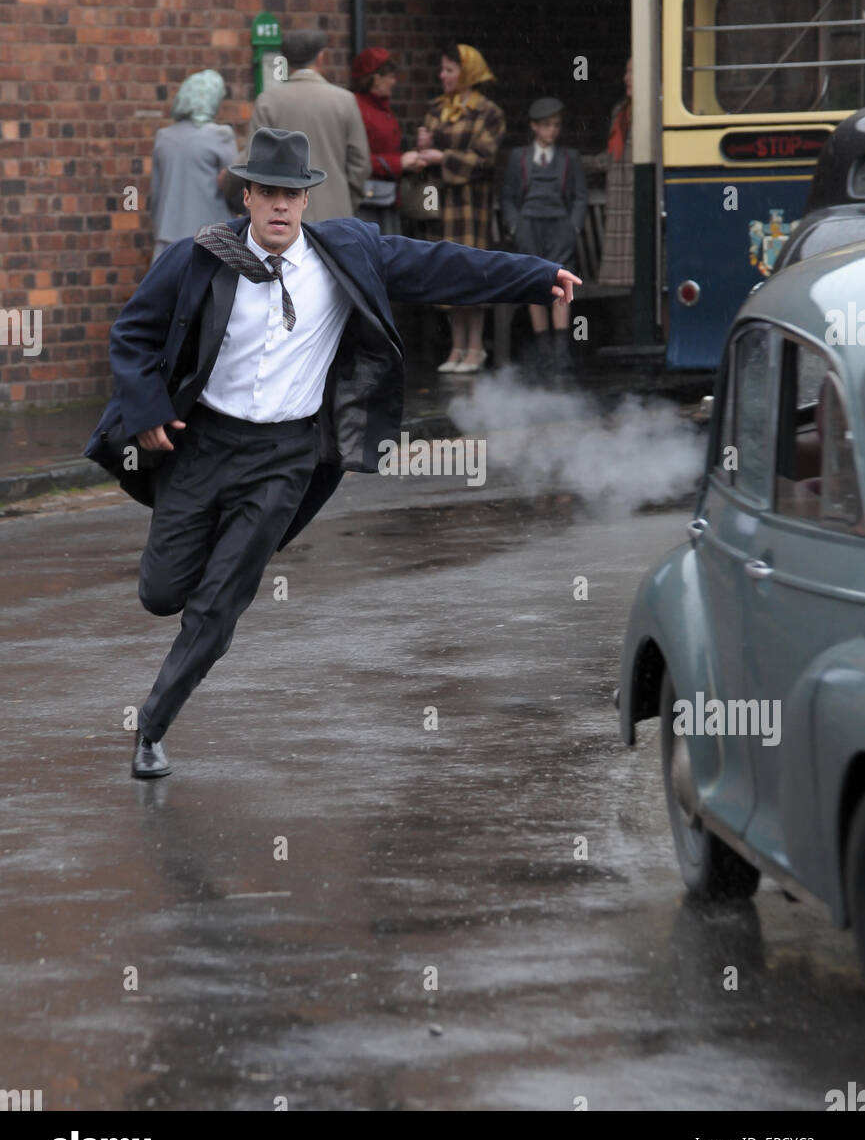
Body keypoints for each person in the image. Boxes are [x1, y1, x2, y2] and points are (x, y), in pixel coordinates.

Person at [84, 128, 580, 779]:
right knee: (162, 592)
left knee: (218, 603)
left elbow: (444, 264)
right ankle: (201, 568)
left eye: (292, 194)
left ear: (306, 201)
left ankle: (152, 728)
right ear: (248, 196)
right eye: (268, 193)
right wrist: (147, 413)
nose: (281, 206)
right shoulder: (197, 258)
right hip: (203, 446)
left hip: (285, 457)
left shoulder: (348, 254)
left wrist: (537, 277)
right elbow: (133, 334)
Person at [415, 43, 505, 374]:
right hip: (442, 204)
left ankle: (475, 347)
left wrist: (444, 157)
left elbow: (485, 159)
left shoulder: (489, 112)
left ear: (468, 73)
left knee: (473, 274)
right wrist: (424, 148)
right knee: (449, 274)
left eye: (450, 70)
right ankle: (456, 347)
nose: (443, 76)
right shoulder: (437, 108)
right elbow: (425, 157)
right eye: (443, 69)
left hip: (471, 206)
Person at [227, 29, 370, 221]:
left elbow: (253, 158)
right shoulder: (345, 101)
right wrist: (344, 200)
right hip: (336, 215)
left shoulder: (269, 101)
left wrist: (227, 185)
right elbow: (360, 164)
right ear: (321, 57)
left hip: (283, 216)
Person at [501, 97, 588, 379]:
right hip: (529, 225)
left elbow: (579, 196)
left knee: (561, 282)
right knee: (535, 281)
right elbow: (509, 197)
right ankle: (543, 349)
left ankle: (561, 349)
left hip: (559, 226)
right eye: (547, 125)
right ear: (534, 127)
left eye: (556, 125)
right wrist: (515, 226)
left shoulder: (568, 158)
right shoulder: (519, 158)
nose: (553, 131)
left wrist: (573, 226)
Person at [150, 70, 237, 256]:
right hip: (213, 240)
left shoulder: (163, 138)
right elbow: (235, 189)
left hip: (168, 240)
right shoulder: (221, 136)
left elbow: (155, 196)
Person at [350, 47, 424, 234]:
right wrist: (399, 162)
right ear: (375, 78)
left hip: (387, 198)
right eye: (390, 76)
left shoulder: (382, 109)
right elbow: (354, 159)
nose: (393, 81)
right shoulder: (357, 108)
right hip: (367, 204)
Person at [585, 58, 634, 288]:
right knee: (620, 282)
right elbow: (614, 157)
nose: (626, 78)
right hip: (620, 203)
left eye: (632, 72)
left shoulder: (658, 111)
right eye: (626, 72)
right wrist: (577, 163)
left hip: (639, 202)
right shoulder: (621, 112)